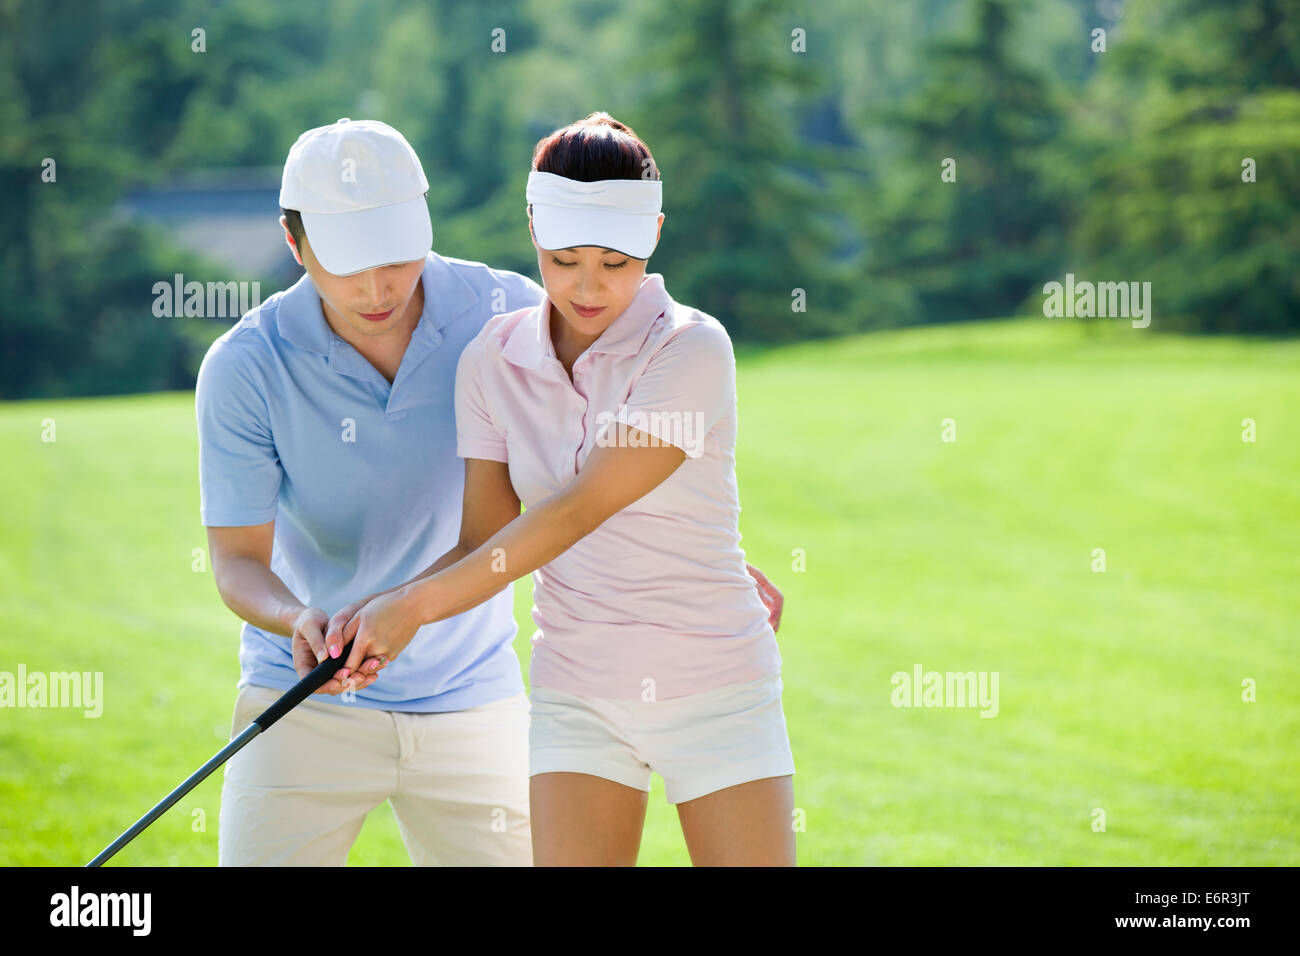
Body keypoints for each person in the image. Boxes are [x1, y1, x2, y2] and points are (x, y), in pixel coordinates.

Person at [197, 116, 783, 866]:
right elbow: (240, 561)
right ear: (294, 243)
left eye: (396, 257)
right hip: (310, 692)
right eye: (349, 265)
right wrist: (305, 619)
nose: (377, 287)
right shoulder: (251, 366)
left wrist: (711, 570)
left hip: (474, 693)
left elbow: (597, 489)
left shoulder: (506, 311)